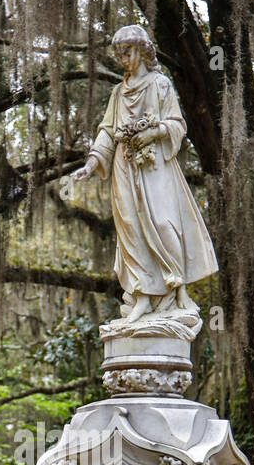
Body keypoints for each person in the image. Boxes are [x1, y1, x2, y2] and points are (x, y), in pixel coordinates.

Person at [73, 24, 218, 325]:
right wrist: (90, 164)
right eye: (120, 54)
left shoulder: (160, 84)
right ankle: (141, 296)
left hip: (154, 167)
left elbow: (178, 124)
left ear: (141, 51)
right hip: (123, 169)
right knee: (131, 229)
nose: (124, 58)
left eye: (128, 52)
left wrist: (154, 134)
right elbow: (107, 133)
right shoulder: (118, 92)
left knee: (165, 224)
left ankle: (177, 291)